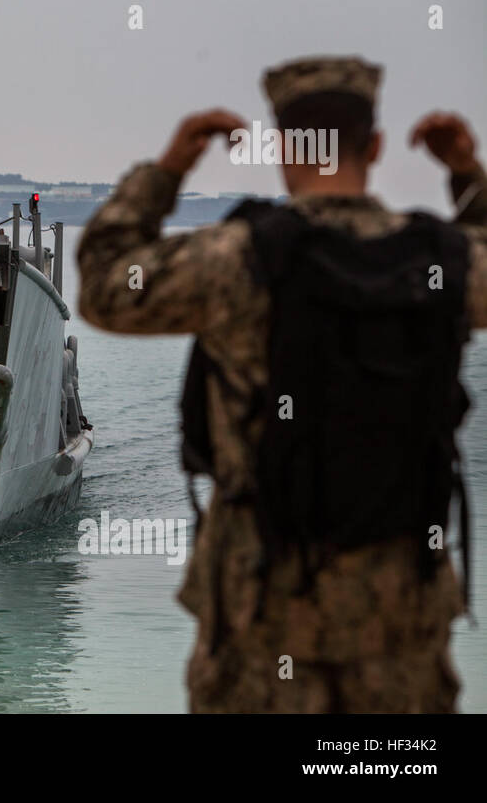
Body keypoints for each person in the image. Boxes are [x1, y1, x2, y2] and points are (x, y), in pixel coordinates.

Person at [76, 54, 487, 713]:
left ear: (285, 147)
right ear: (376, 145)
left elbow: (103, 282)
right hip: (400, 612)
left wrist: (169, 169)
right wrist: (466, 173)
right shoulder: (444, 262)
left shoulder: (236, 259)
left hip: (264, 610)